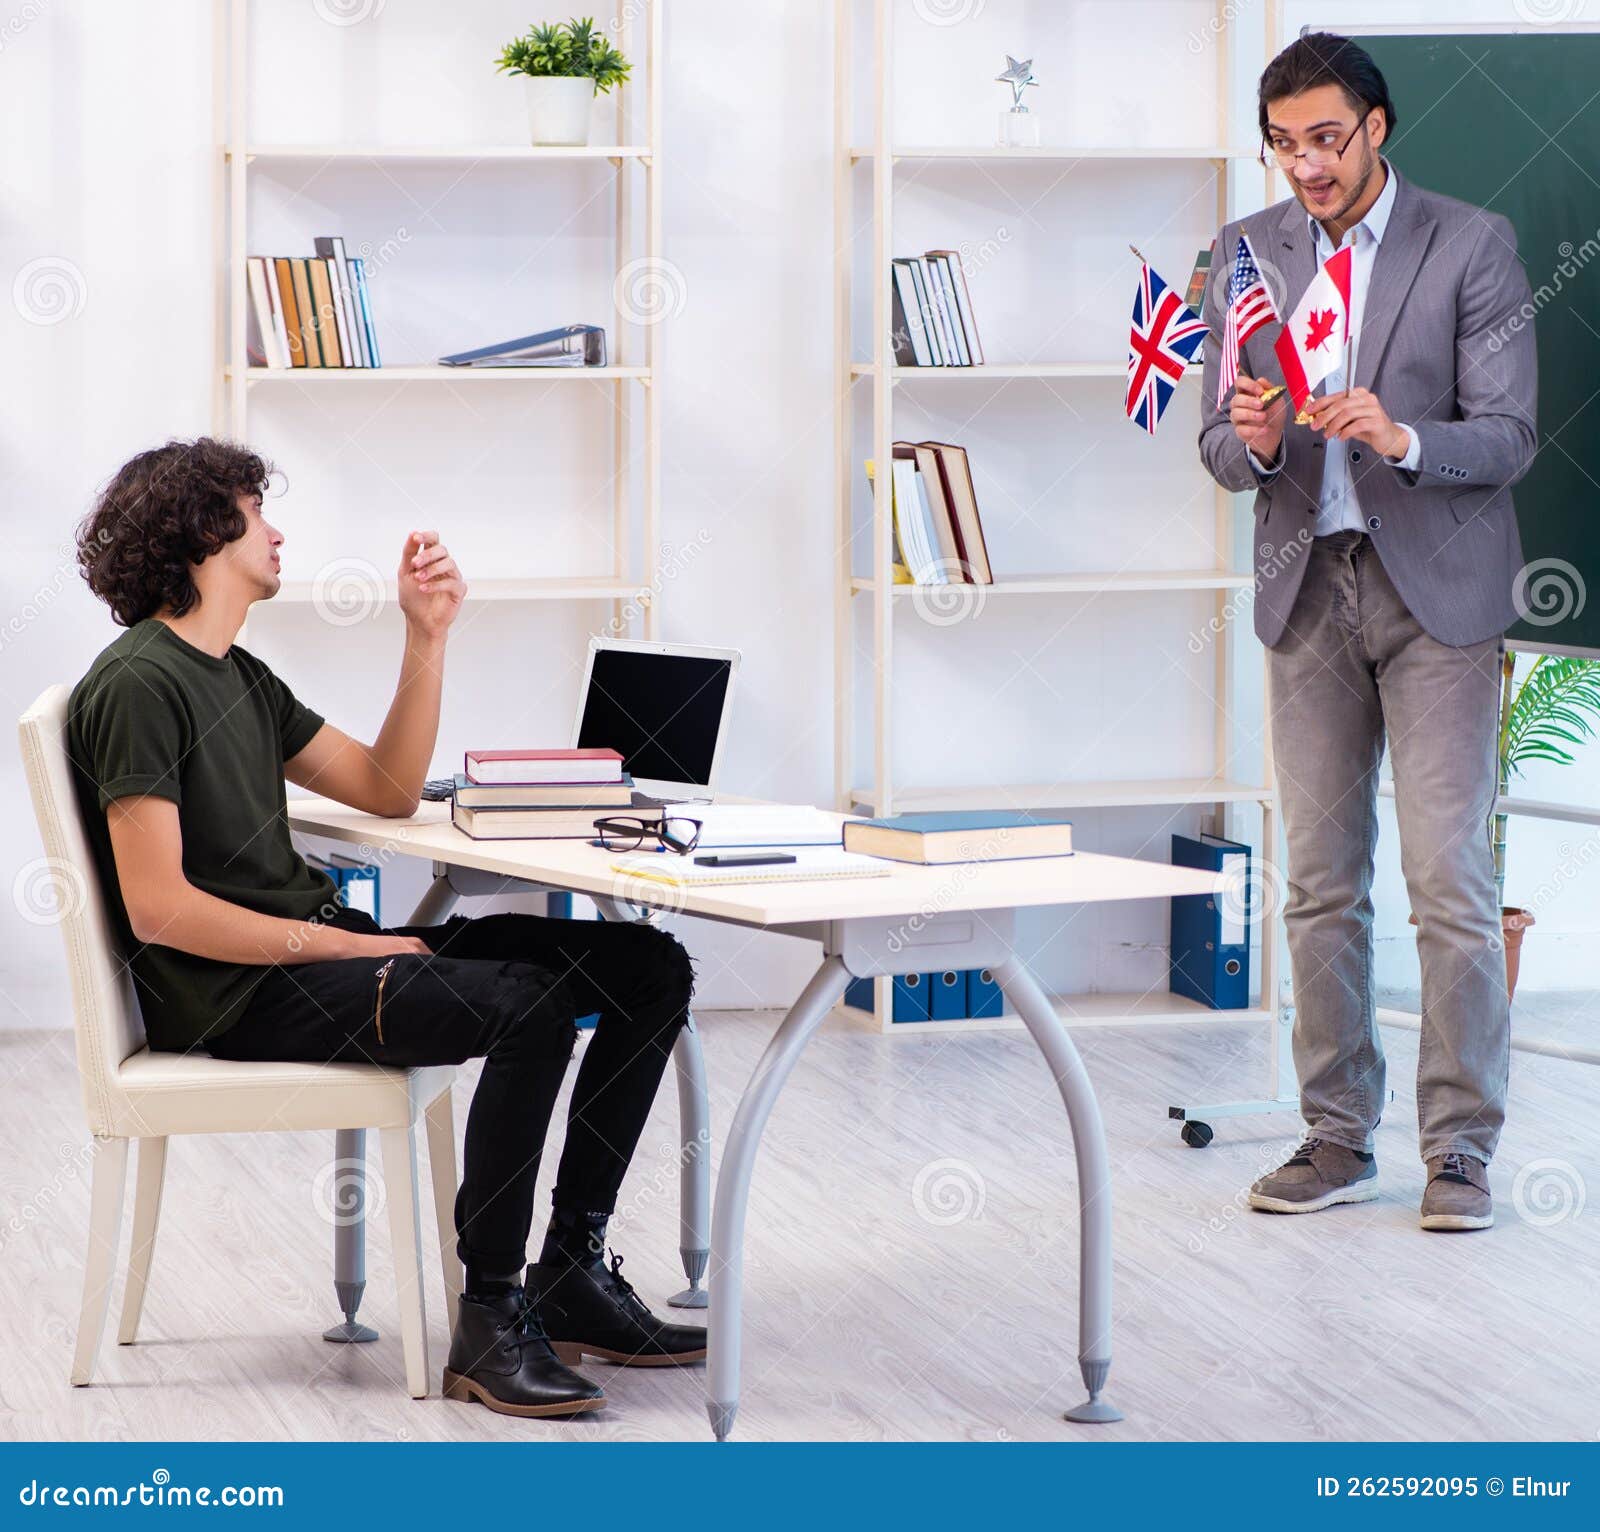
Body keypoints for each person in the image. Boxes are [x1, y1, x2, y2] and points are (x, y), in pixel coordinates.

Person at [67, 437, 706, 1416]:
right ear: (205, 530)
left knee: (648, 966)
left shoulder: (238, 674)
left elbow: (388, 786)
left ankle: (571, 1264)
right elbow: (161, 908)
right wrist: (357, 943)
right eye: (257, 511)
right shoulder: (138, 685)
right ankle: (491, 1316)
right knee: (528, 1006)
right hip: (242, 996)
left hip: (308, 958)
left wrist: (426, 638)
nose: (277, 531)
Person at [1197, 33, 1537, 1231]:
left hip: (1437, 599)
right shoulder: (1243, 255)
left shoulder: (1470, 244)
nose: (1307, 166)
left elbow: (1507, 437)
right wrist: (1255, 433)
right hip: (1308, 590)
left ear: (1376, 127)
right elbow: (1218, 453)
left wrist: (1398, 437)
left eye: (1326, 139)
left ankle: (1459, 1153)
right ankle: (1336, 1137)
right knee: (1317, 886)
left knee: (1447, 878)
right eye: (1284, 144)